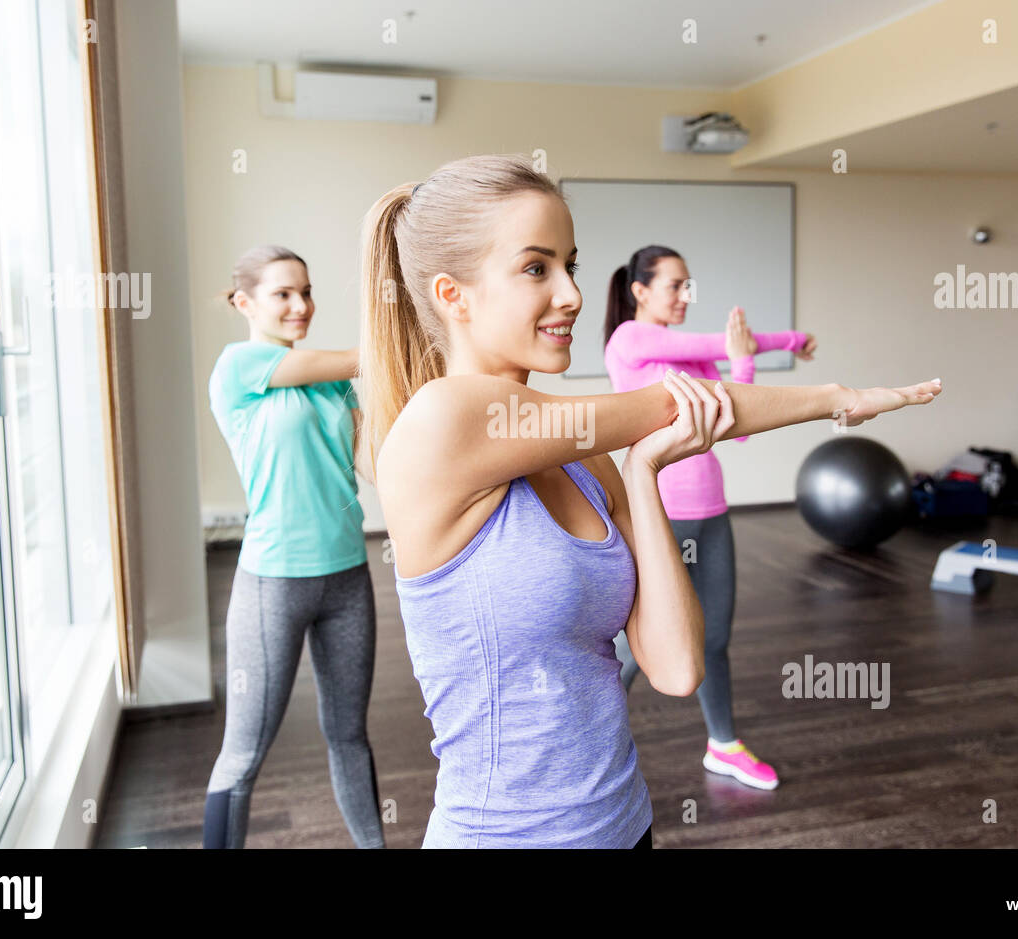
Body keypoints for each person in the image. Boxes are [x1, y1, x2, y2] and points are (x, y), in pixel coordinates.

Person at [358, 154, 941, 848]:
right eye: (537, 268)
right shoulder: (441, 421)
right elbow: (667, 403)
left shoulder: (586, 460)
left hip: (625, 822)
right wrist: (836, 400)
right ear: (453, 295)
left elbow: (675, 668)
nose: (573, 293)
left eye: (571, 264)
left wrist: (642, 477)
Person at [603, 246, 817, 790]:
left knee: (714, 637)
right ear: (640, 290)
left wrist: (742, 360)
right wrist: (790, 342)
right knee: (633, 648)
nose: (684, 296)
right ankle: (589, 749)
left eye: (688, 286)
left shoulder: (694, 360)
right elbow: (716, 343)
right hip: (661, 514)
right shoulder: (632, 339)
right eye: (674, 285)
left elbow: (738, 426)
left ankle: (724, 744)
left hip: (711, 510)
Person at [203, 245, 384, 849]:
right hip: (274, 582)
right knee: (244, 752)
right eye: (283, 293)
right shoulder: (239, 367)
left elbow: (372, 465)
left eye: (305, 291)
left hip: (349, 577)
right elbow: (361, 358)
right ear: (243, 302)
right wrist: (399, 345)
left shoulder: (334, 388)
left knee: (350, 735)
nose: (301, 305)